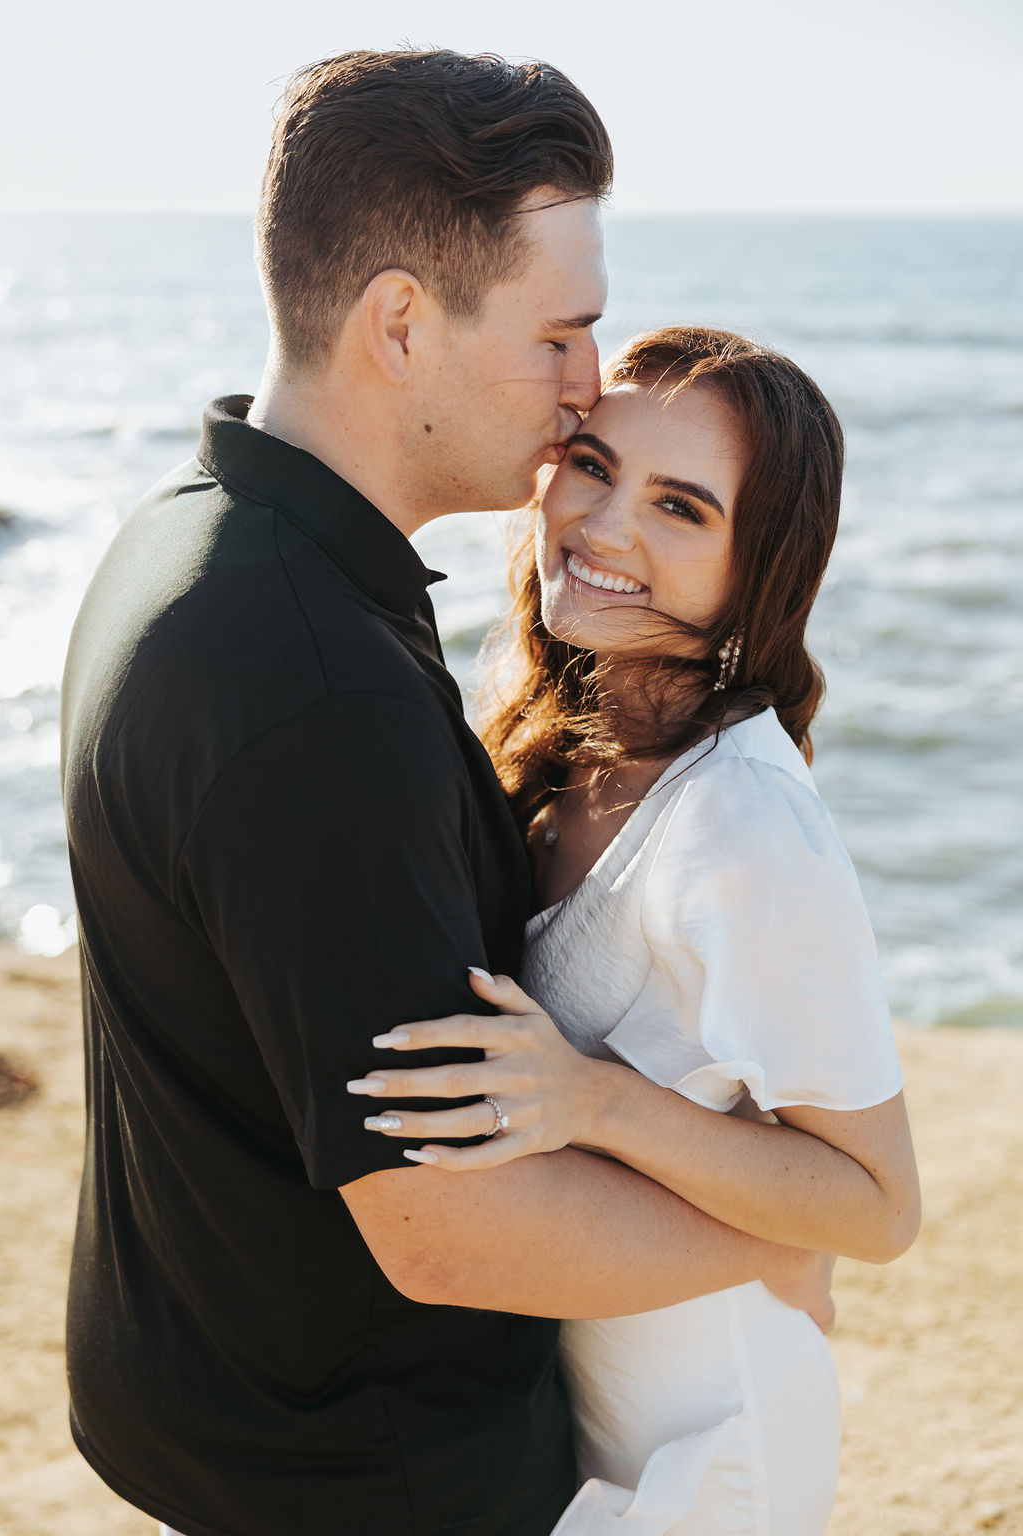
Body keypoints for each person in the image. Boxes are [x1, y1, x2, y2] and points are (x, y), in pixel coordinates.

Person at [60, 54, 832, 1536]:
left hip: (210, 1407)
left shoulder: (195, 535)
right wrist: (755, 1241)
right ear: (400, 324)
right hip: (372, 1476)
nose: (587, 383)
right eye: (561, 332)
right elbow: (446, 1229)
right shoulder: (311, 687)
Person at [348, 327, 921, 1533]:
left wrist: (597, 1103)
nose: (606, 526)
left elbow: (877, 1206)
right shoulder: (554, 742)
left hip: (712, 1444)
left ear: (753, 567)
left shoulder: (744, 826)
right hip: (571, 1413)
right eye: (595, 465)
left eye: (680, 506)